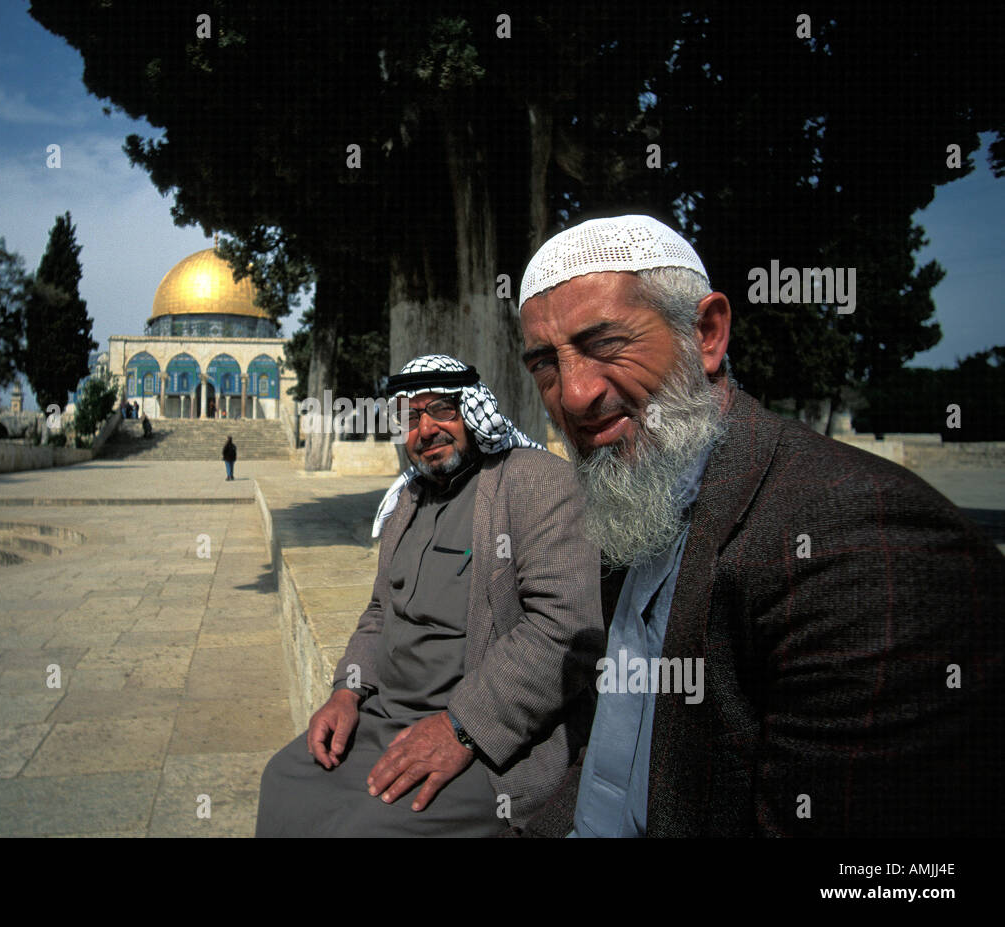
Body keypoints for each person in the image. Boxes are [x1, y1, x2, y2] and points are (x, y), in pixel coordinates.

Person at [513, 214, 1005, 837]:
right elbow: (610, 768)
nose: (575, 393)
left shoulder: (858, 542)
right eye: (545, 365)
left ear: (708, 334)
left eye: (606, 343)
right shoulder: (635, 508)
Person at [255, 355, 603, 836]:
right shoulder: (406, 502)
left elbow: (564, 630)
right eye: (411, 417)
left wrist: (460, 728)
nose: (426, 429)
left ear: (474, 412)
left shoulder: (534, 483)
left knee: (367, 828)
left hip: (488, 740)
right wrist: (347, 691)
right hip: (385, 718)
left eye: (442, 409)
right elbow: (380, 612)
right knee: (284, 781)